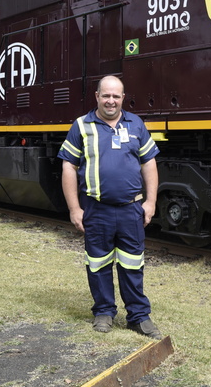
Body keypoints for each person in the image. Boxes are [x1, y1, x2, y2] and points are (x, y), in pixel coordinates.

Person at [57, 75, 162, 339]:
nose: (111, 101)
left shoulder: (136, 124)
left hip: (130, 209)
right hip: (97, 209)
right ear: (97, 96)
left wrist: (150, 202)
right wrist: (74, 208)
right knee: (98, 263)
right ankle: (103, 312)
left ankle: (138, 316)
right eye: (106, 95)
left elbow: (148, 162)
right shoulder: (81, 126)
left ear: (123, 98)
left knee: (132, 264)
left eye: (116, 96)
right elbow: (68, 166)